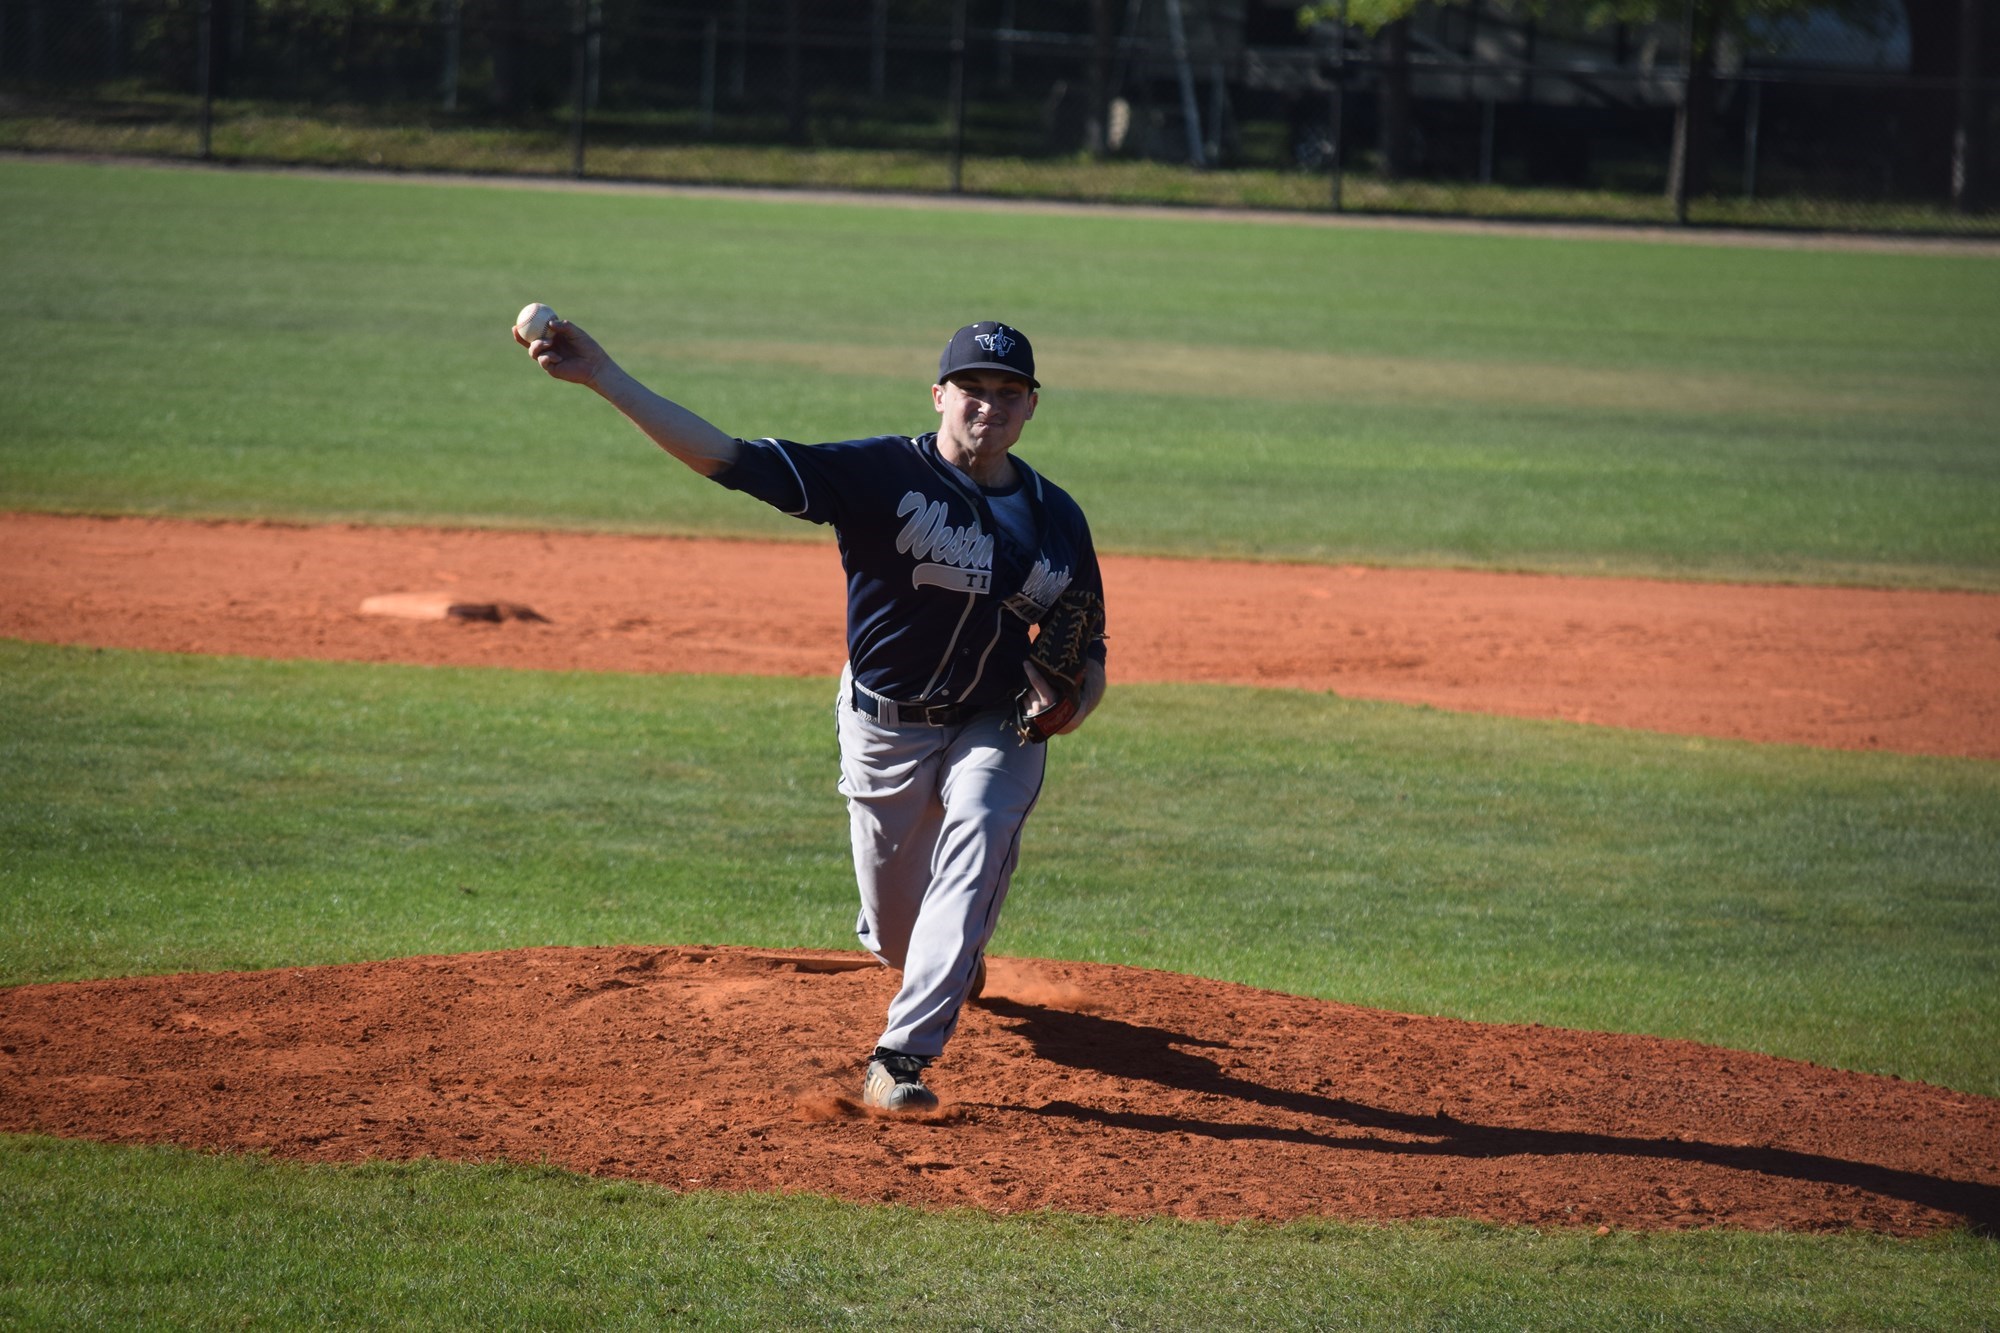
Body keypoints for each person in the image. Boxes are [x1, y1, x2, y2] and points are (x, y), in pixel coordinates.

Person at [516, 316, 1108, 1113]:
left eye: (1009, 394)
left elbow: (1087, 644)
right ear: (939, 395)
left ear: (1032, 407)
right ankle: (945, 962)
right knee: (900, 936)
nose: (988, 408)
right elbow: (728, 458)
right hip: (885, 725)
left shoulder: (1058, 518)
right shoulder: (879, 475)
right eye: (972, 389)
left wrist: (1077, 699)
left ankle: (899, 1056)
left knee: (983, 826)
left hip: (996, 720)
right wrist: (604, 376)